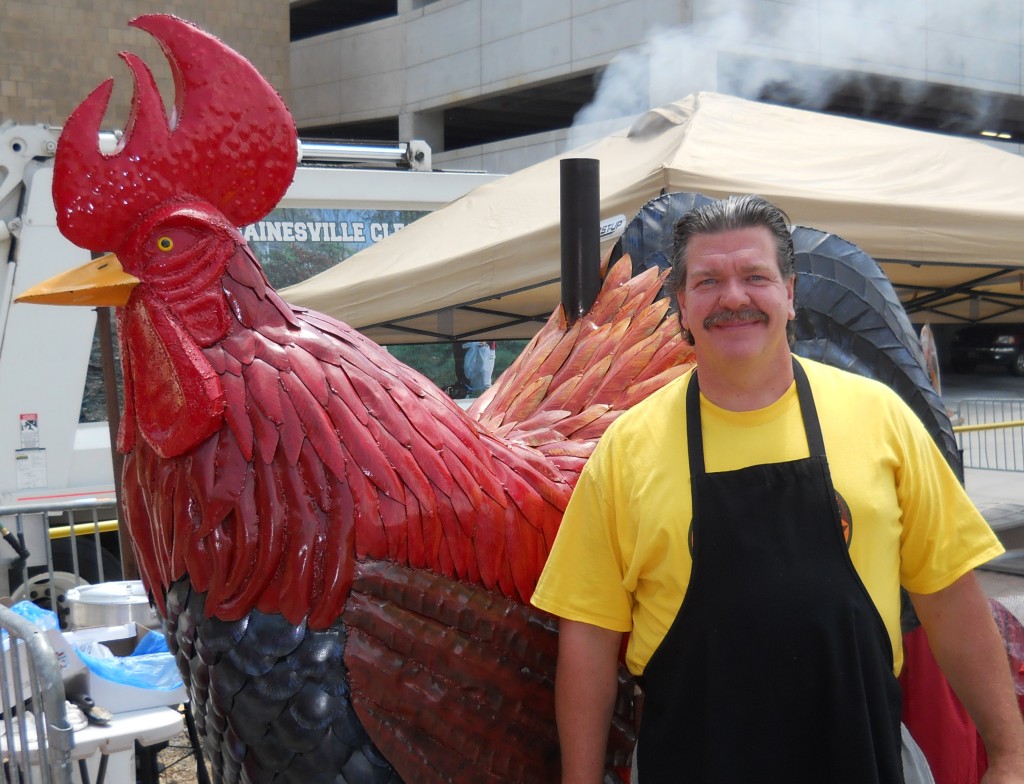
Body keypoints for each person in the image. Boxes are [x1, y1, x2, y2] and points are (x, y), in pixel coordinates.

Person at [530, 195, 1024, 783]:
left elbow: (949, 596)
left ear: (790, 294)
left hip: (866, 759)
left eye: (754, 276)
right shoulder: (624, 450)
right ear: (682, 305)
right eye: (708, 280)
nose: (733, 297)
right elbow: (588, 637)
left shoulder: (879, 417)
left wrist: (1010, 757)